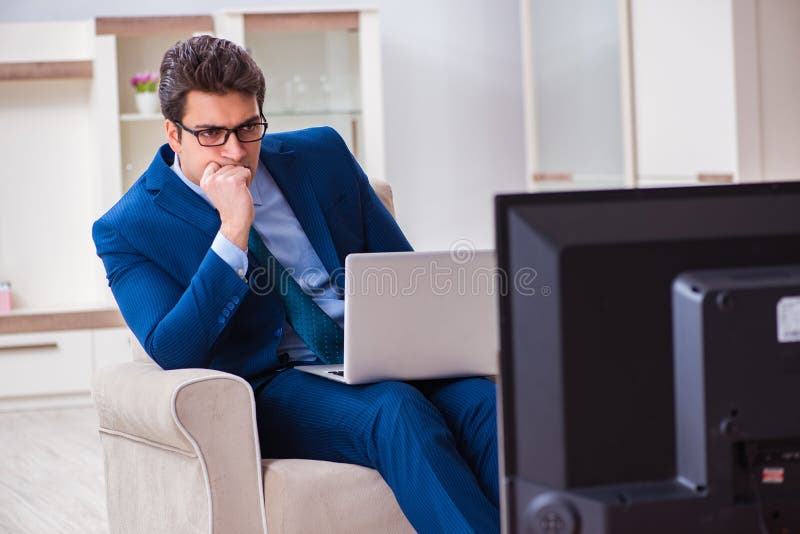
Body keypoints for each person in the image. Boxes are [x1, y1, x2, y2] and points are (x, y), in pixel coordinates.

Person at [92, 35, 499, 533]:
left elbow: (401, 271)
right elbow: (174, 350)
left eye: (248, 127)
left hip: (377, 358)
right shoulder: (129, 226)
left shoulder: (321, 155)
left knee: (488, 405)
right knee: (394, 411)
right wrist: (232, 232)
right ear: (173, 134)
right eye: (212, 134)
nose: (236, 151)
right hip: (275, 388)